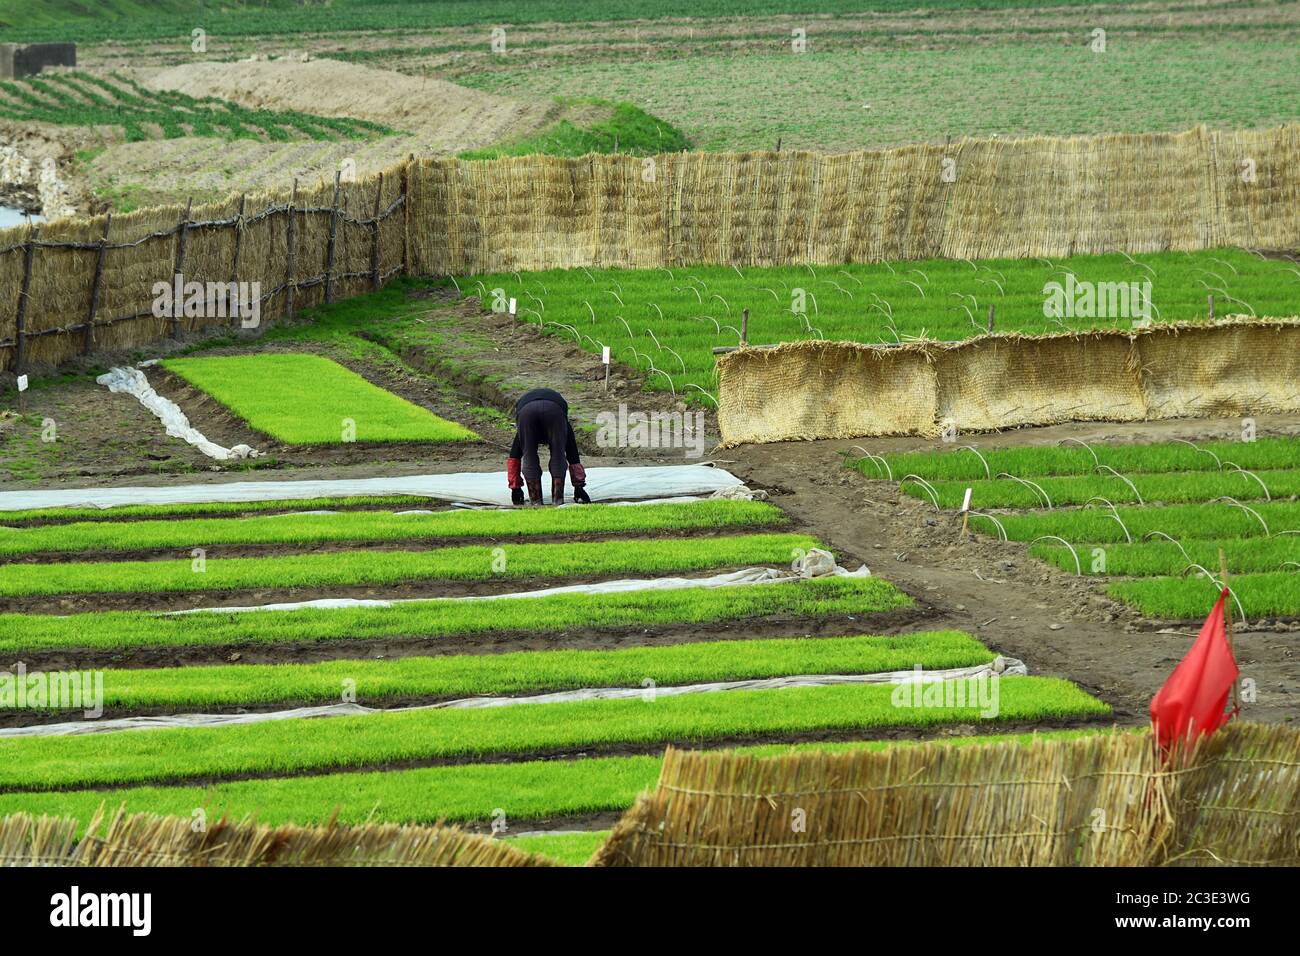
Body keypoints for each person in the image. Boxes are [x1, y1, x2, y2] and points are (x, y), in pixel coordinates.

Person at [505, 388, 591, 506]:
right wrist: (579, 487)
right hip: (554, 411)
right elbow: (572, 453)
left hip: (526, 413)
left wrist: (515, 488)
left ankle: (536, 502)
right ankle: (558, 500)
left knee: (529, 456)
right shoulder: (563, 423)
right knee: (558, 455)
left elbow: (514, 456)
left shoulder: (524, 422)